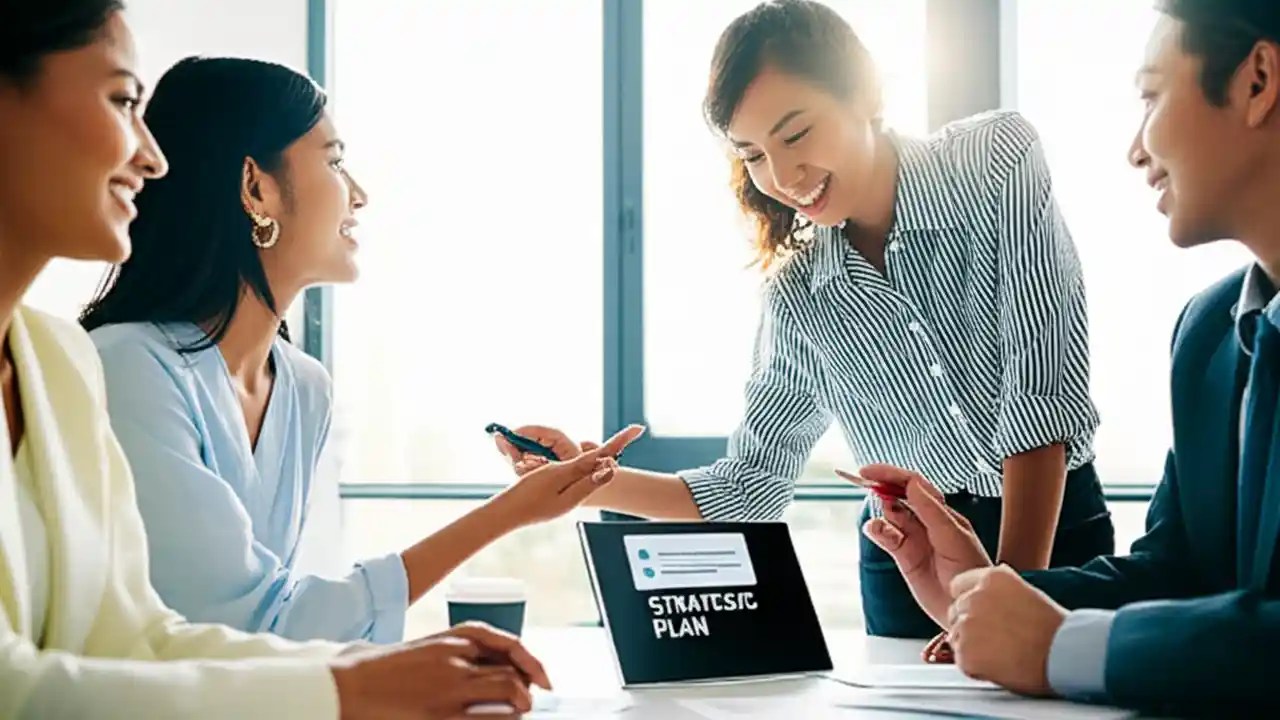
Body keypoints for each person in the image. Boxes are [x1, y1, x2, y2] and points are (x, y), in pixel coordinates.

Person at [0, 2, 561, 717]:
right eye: (120, 100)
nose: (150, 156)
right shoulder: (121, 365)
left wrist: (383, 669)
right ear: (255, 187)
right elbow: (22, 685)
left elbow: (136, 636)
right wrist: (354, 682)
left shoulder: (59, 364)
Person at [494, 0, 1114, 640]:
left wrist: (1007, 603)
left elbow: (1040, 401)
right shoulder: (798, 294)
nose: (783, 177)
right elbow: (749, 488)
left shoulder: (995, 164)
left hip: (1050, 528)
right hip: (909, 558)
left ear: (864, 93)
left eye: (795, 135)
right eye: (754, 154)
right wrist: (590, 484)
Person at [74, 54, 643, 645]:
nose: (359, 195)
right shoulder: (127, 368)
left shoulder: (302, 385)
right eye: (336, 162)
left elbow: (301, 614)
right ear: (255, 187)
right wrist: (509, 513)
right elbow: (237, 627)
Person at [860, 0, 1280, 712]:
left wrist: (1065, 649)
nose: (1136, 148)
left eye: (1151, 96)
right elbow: (1176, 573)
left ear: (1258, 81)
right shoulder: (1209, 335)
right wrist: (988, 592)